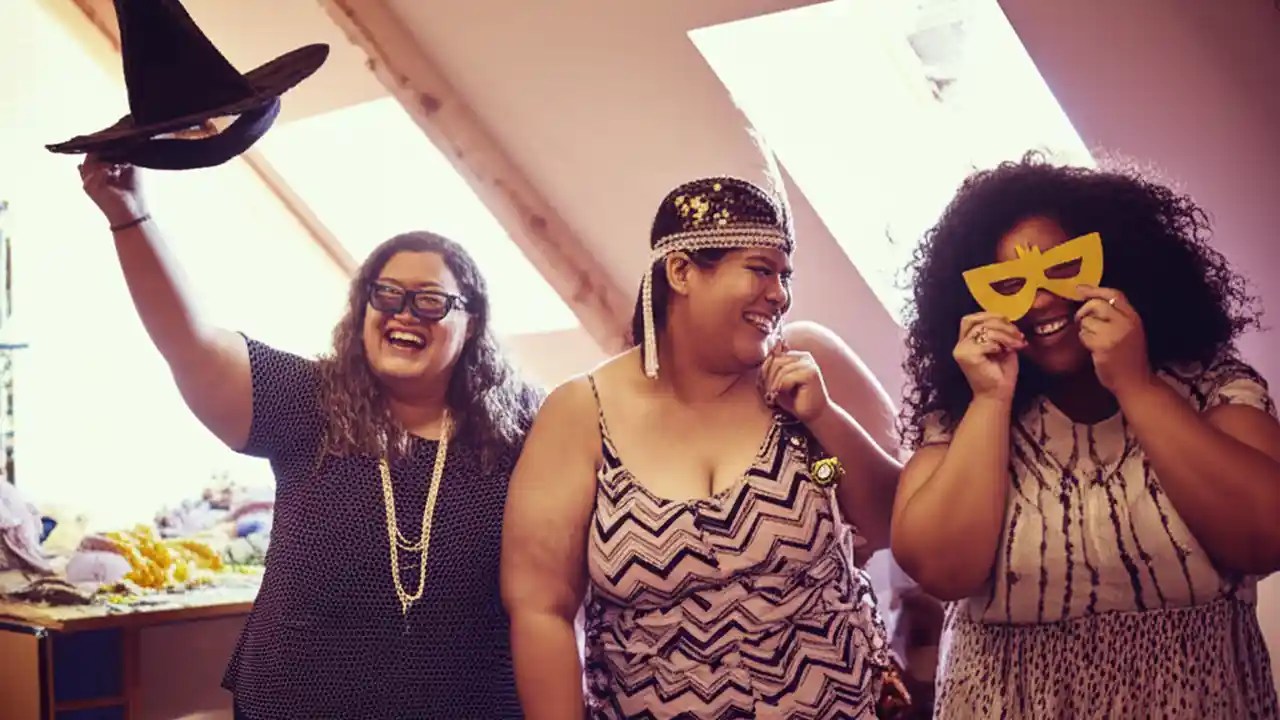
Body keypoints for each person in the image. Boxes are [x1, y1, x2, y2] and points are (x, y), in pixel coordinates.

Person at [79, 154, 539, 719]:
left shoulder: (524, 429)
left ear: (472, 323)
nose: (404, 312)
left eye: (431, 300)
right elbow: (189, 342)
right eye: (386, 293)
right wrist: (130, 215)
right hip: (296, 704)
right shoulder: (308, 400)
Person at [891, 153, 1280, 718]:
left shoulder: (1214, 390)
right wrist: (990, 400)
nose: (1042, 298)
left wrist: (1139, 387)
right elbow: (942, 570)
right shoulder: (960, 418)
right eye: (1009, 284)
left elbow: (1266, 537)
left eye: (1065, 269)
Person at [501, 175, 902, 719]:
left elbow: (876, 520)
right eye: (761, 270)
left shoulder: (804, 368)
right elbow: (541, 607)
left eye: (785, 277)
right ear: (682, 271)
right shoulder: (582, 414)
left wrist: (824, 422)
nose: (780, 294)